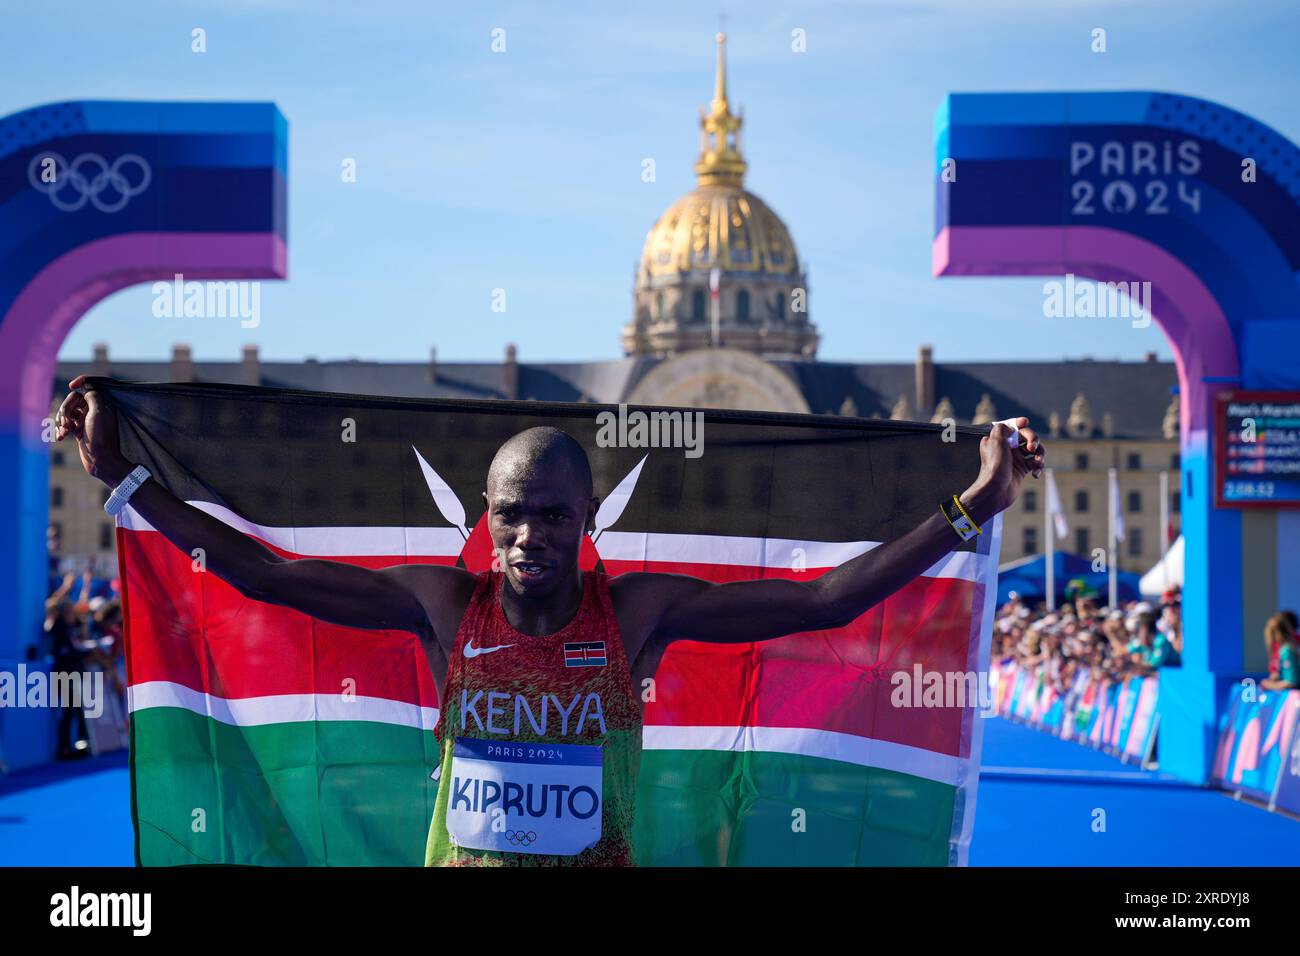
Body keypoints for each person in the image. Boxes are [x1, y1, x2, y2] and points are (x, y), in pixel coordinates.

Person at [55, 375, 1045, 866]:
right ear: (487, 517)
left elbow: (826, 600)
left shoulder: (637, 613)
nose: (530, 531)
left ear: (587, 520)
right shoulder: (444, 604)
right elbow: (263, 574)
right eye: (512, 511)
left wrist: (972, 506)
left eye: (554, 512)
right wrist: (125, 481)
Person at [1262, 612, 1299, 691]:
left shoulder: (1287, 651)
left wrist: (1270, 685)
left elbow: (1292, 682)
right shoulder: (1286, 649)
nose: (1268, 639)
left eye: (1270, 633)